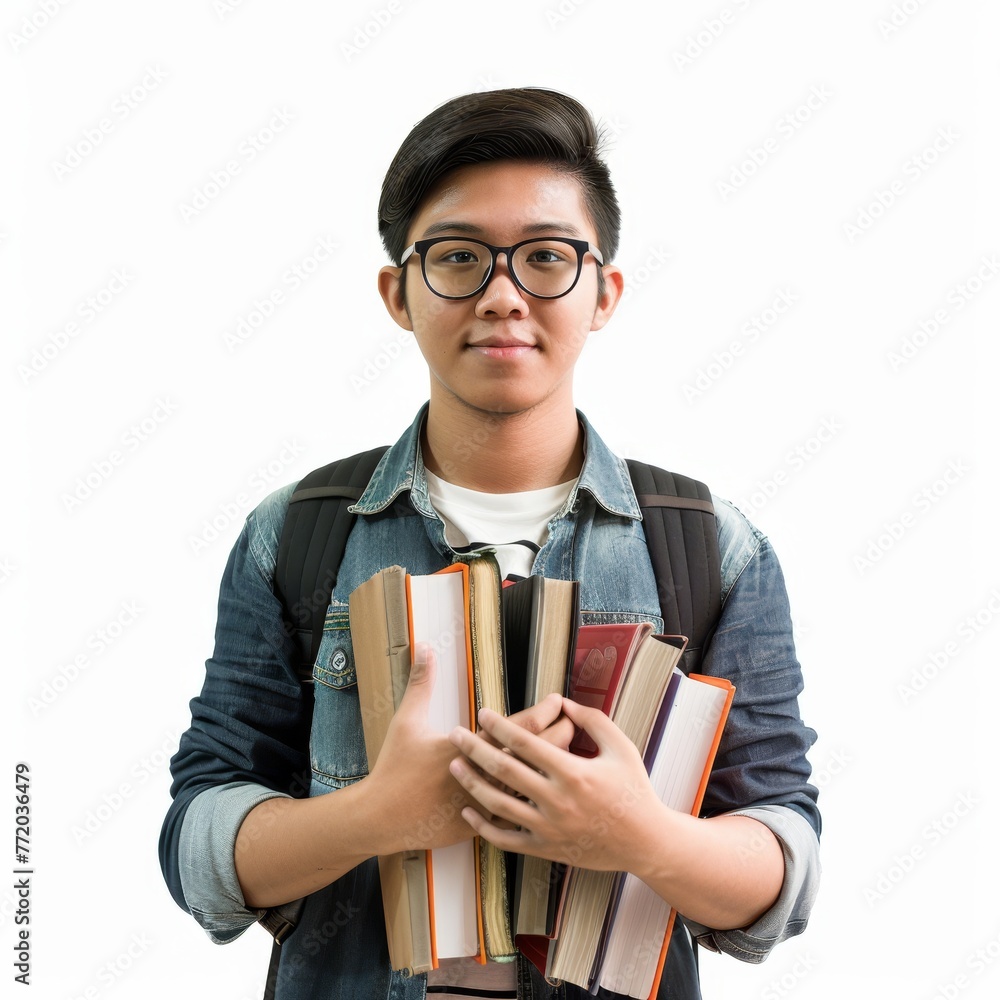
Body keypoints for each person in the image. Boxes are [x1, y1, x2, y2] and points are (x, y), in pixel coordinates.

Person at [160, 88, 820, 1000]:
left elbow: (784, 863)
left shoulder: (715, 548)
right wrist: (375, 815)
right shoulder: (295, 534)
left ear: (604, 292)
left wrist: (641, 836)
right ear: (398, 293)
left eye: (546, 256)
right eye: (459, 257)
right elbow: (198, 844)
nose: (503, 295)